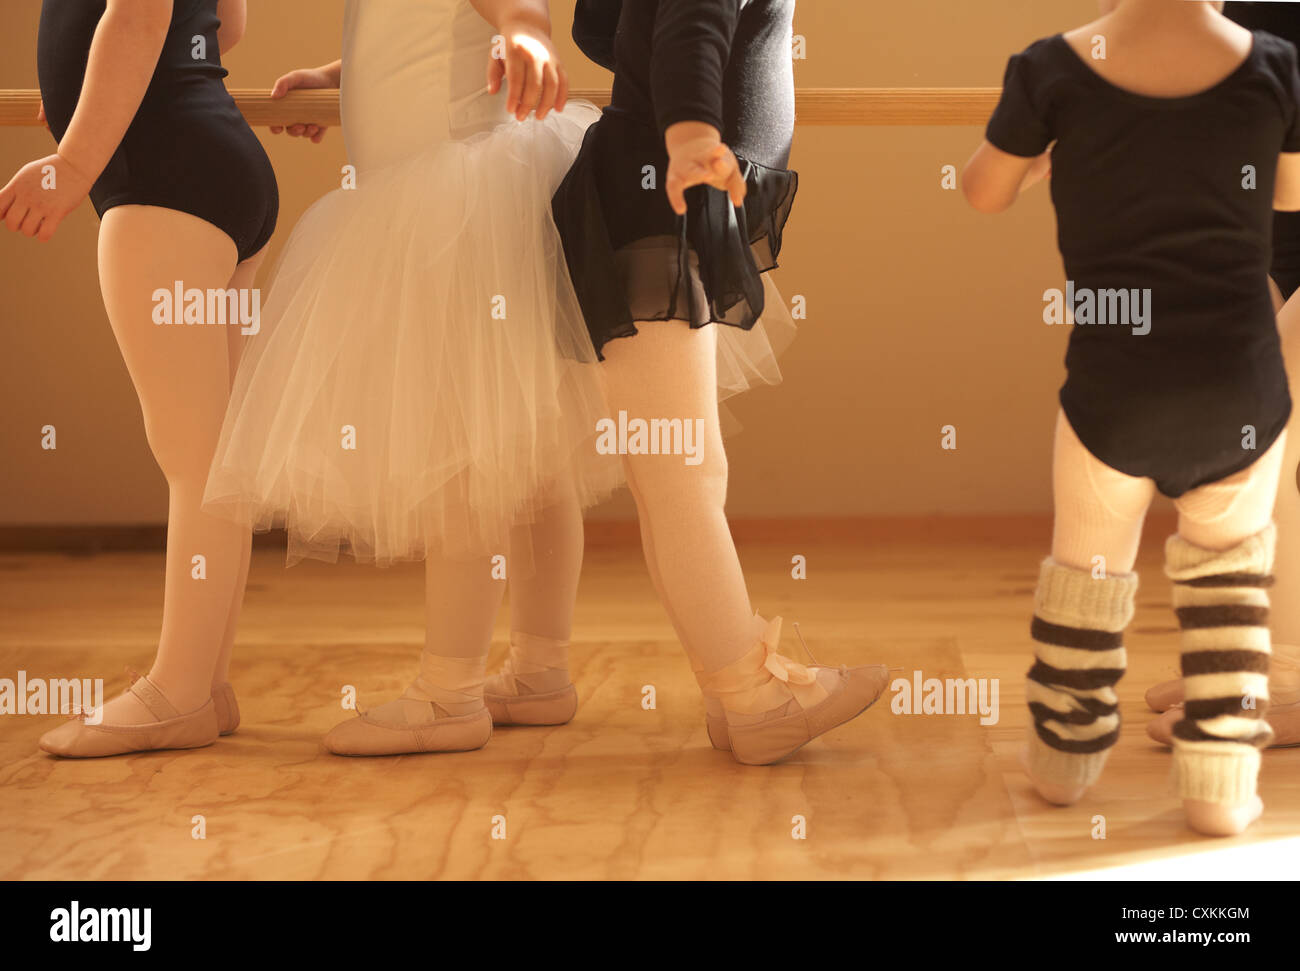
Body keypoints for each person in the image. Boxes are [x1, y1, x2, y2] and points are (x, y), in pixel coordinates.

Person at [962, 0, 1300, 834]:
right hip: (1241, 388)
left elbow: (982, 192)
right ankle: (1220, 790)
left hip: (1114, 390)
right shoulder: (1276, 67)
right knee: (1229, 589)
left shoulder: (1051, 68)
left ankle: (1065, 762)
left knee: (1088, 578)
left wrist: (1043, 162)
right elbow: (1288, 196)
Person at [1, 0, 278, 757]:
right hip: (214, 157)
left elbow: (139, 15)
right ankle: (205, 684)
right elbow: (230, 21)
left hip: (163, 179)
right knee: (215, 458)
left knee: (193, 459)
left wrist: (73, 163)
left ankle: (178, 690)